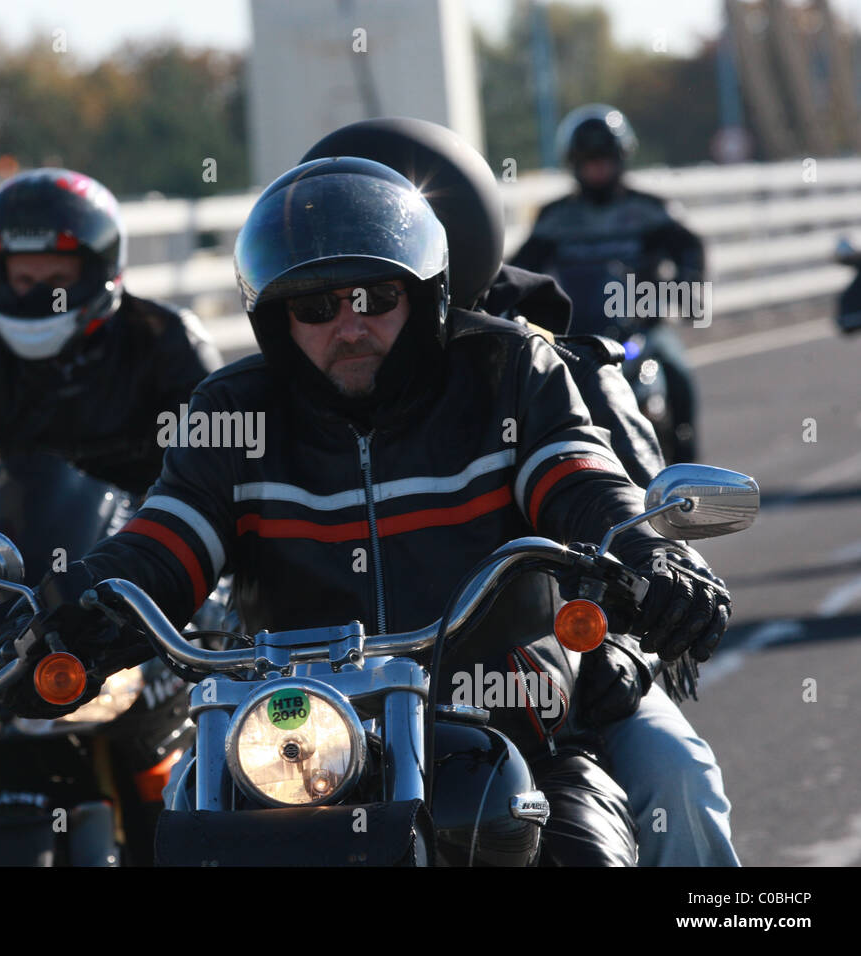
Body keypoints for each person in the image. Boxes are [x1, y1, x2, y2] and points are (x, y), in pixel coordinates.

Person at [0, 157, 733, 865]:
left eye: (377, 297)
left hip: (517, 726)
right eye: (316, 307)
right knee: (187, 823)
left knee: (611, 835)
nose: (349, 326)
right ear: (275, 317)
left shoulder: (508, 372)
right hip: (296, 749)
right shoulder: (234, 411)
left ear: (425, 294)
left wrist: (652, 554)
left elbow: (578, 479)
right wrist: (70, 617)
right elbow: (163, 541)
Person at [299, 117, 738, 866]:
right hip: (342, 709)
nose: (353, 313)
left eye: (392, 230)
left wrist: (625, 642)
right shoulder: (299, 381)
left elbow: (624, 505)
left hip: (558, 679)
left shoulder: (546, 360)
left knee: (679, 780)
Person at [0, 167, 222, 864]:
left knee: (226, 734)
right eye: (21, 276)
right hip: (27, 566)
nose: (38, 292)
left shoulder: (165, 339)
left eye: (55, 273)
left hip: (154, 562)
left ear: (99, 270)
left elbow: (225, 475)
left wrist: (217, 583)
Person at [511, 104, 705, 462]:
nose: (598, 168)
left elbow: (690, 250)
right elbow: (520, 271)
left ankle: (686, 469)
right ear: (574, 164)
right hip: (575, 336)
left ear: (621, 158)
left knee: (678, 374)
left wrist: (685, 293)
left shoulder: (652, 209)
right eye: (589, 160)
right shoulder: (554, 218)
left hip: (642, 329)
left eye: (604, 158)